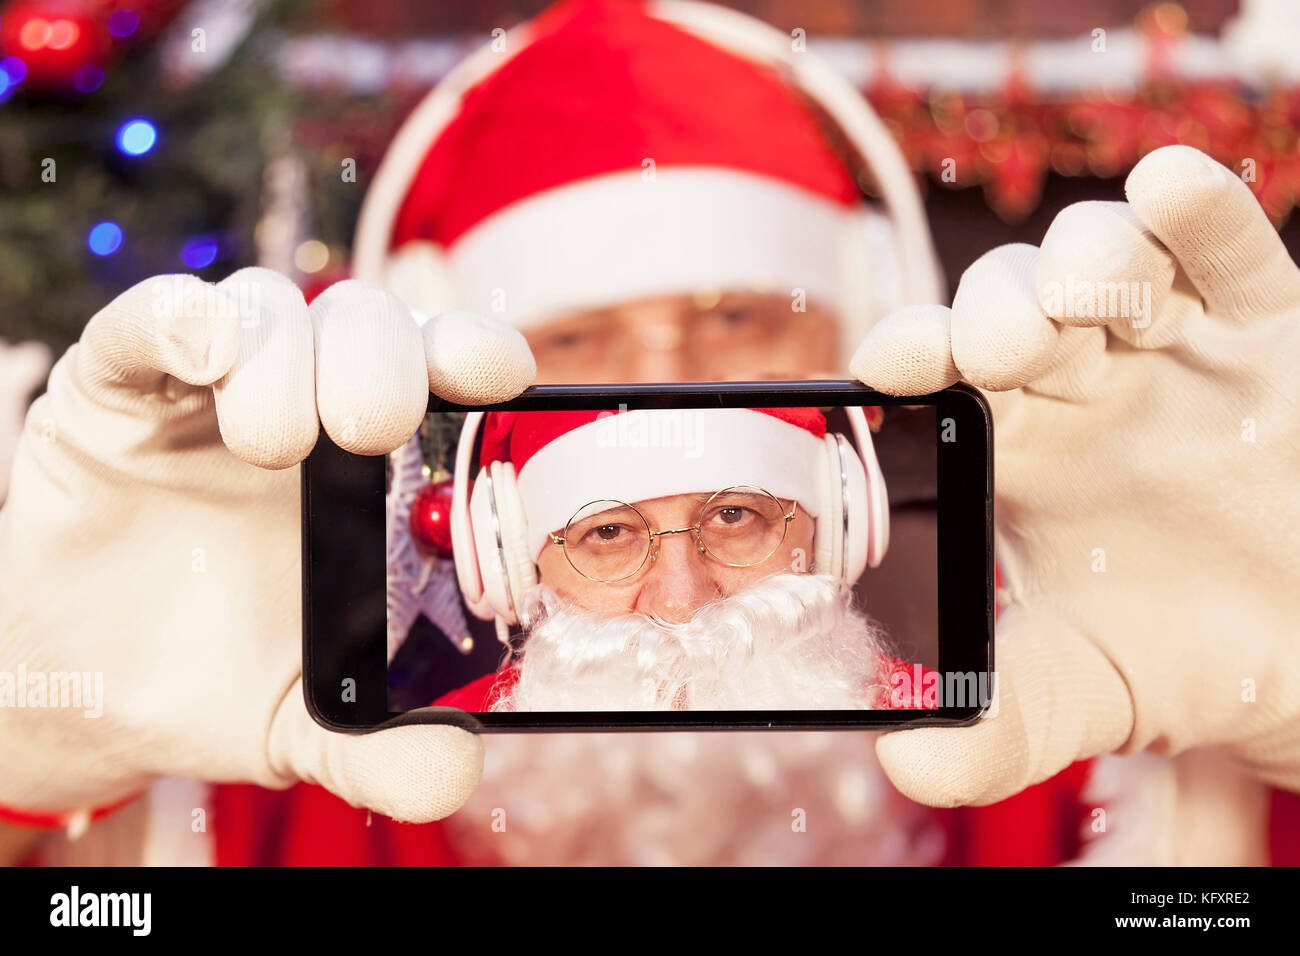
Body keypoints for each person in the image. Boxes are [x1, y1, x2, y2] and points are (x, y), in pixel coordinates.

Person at [2, 0, 1298, 866]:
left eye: (736, 316)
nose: (666, 390)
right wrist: (28, 743)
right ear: (484, 495)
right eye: (575, 341)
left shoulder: (1094, 698)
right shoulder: (262, 732)